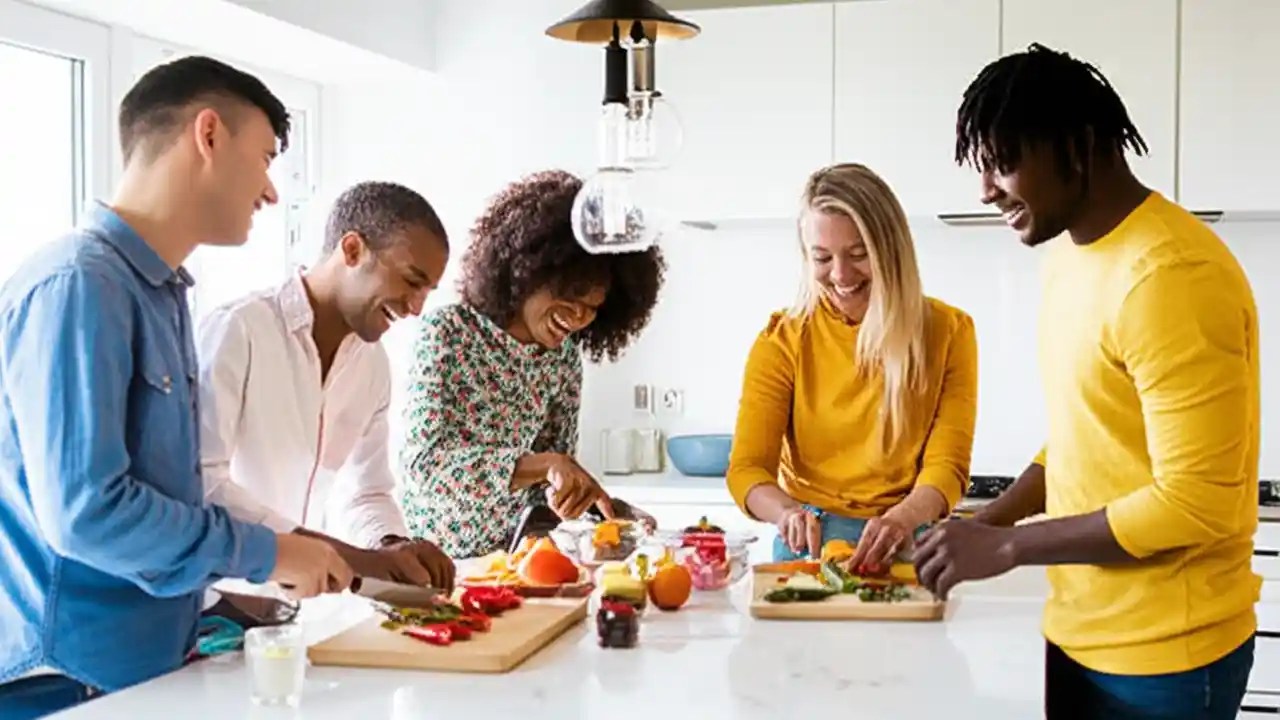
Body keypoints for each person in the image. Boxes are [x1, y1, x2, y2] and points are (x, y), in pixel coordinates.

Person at [912, 43, 1260, 719]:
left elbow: (1197, 502)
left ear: (1080, 146)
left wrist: (1009, 545)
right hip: (1078, 634)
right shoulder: (1074, 258)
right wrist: (981, 526)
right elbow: (1080, 438)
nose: (985, 190)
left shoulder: (1169, 275)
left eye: (1004, 161)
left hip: (1168, 660)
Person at [0, 56, 352, 718]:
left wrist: (234, 586)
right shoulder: (80, 284)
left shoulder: (158, 293)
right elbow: (87, 512)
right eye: (267, 157)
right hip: (67, 683)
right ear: (209, 134)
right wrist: (265, 551)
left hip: (140, 668)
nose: (272, 191)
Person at [197, 181, 456, 594]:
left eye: (427, 292)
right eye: (411, 280)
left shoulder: (372, 365)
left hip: (301, 612)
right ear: (352, 250)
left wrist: (392, 545)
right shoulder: (238, 330)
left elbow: (365, 491)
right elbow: (204, 486)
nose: (416, 308)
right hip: (218, 607)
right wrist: (353, 558)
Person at [399, 169, 665, 559]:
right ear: (527, 274)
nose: (577, 317)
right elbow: (426, 468)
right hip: (440, 563)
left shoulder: (563, 357)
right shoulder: (449, 333)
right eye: (569, 296)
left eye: (592, 308)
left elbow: (549, 483)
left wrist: (596, 509)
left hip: (521, 560)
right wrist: (548, 465)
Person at [726, 162, 978, 568]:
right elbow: (747, 470)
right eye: (822, 257)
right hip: (808, 547)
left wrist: (902, 519)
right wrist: (787, 513)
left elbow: (947, 467)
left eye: (859, 254)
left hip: (907, 542)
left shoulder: (948, 332)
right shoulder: (783, 339)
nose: (841, 275)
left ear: (891, 250)